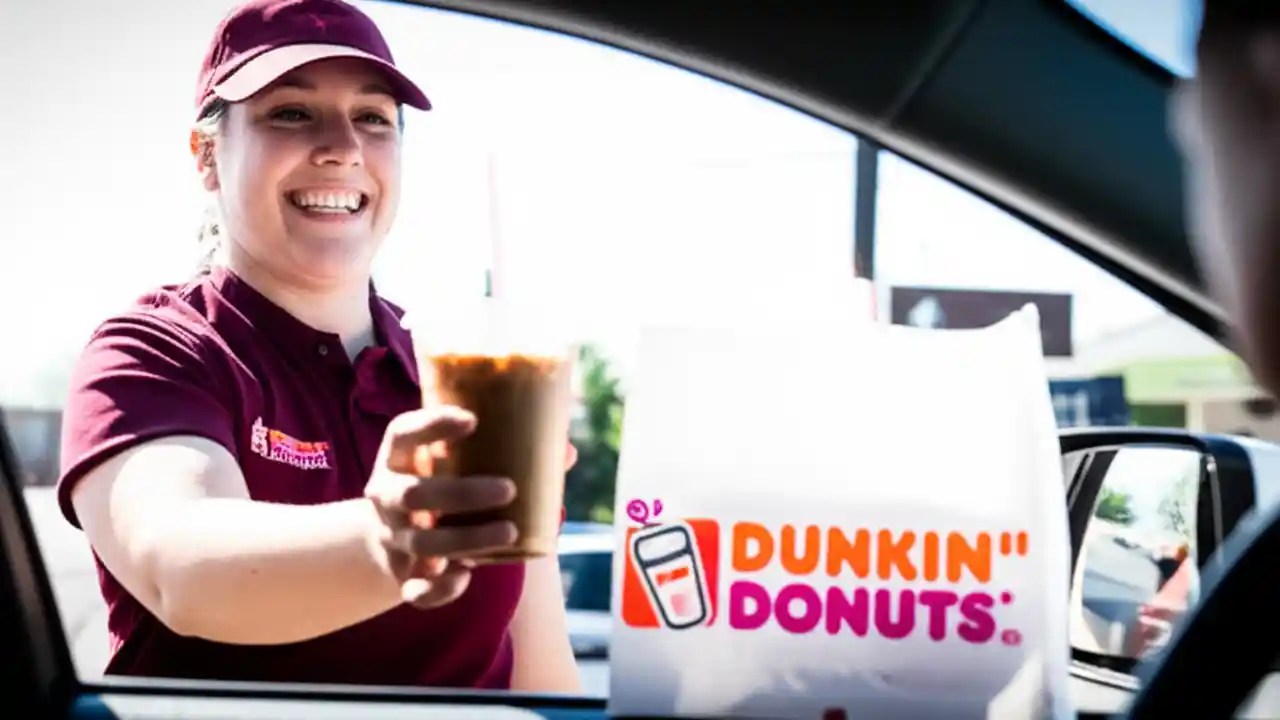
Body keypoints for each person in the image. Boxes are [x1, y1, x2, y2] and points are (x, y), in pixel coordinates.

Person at [56, 0, 580, 691]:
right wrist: (386, 539)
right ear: (207, 155)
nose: (343, 148)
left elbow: (544, 675)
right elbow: (180, 569)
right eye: (292, 114)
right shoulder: (155, 352)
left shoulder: (469, 376)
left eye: (372, 118)